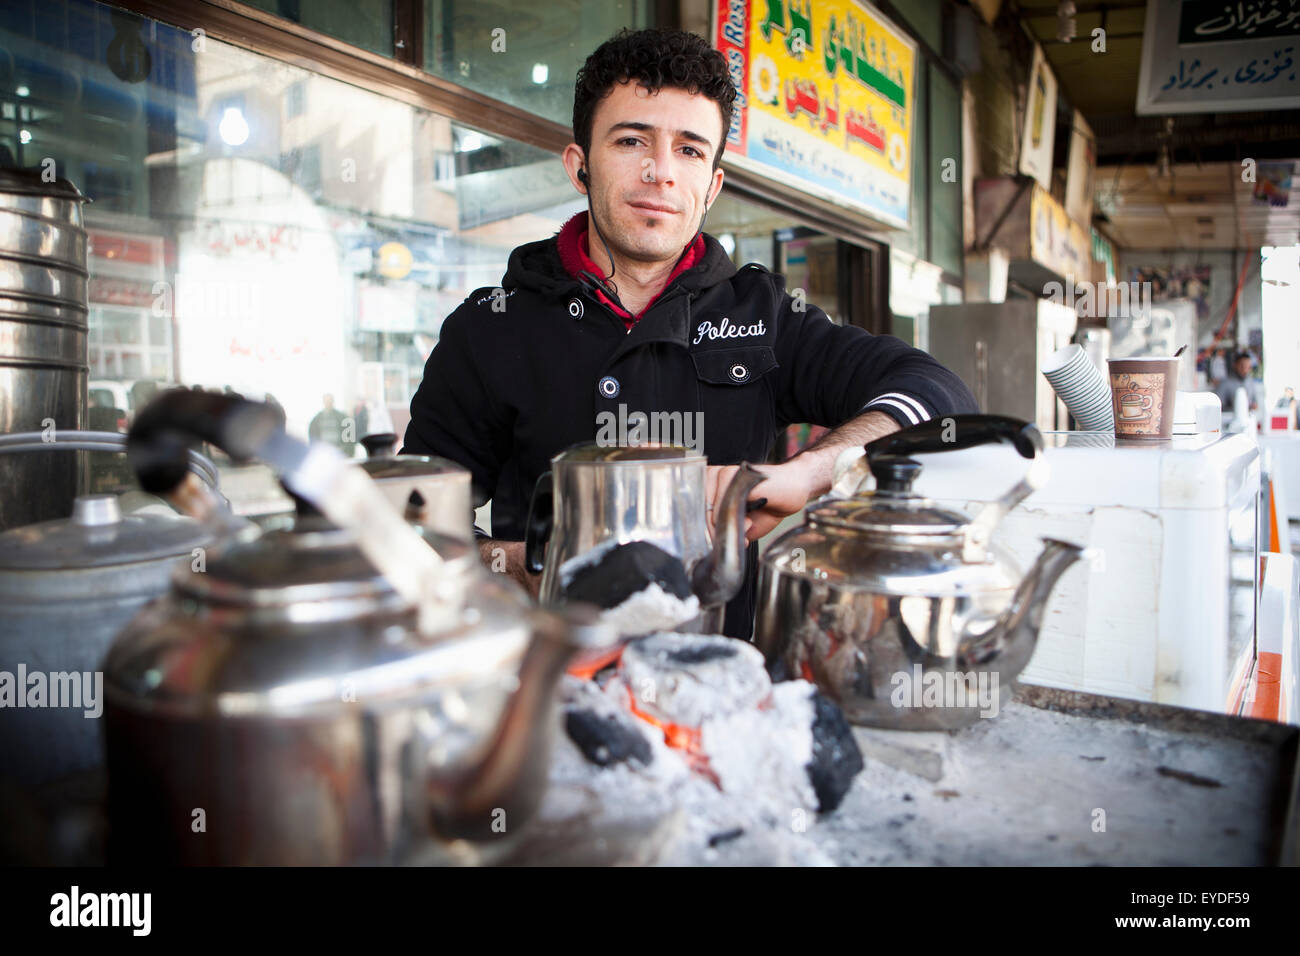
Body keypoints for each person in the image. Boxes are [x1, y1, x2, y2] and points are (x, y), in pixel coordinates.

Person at [402, 29, 976, 640]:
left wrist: (814, 472)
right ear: (579, 166)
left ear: (714, 187)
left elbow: (937, 397)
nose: (661, 173)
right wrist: (527, 567)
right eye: (631, 141)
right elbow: (410, 530)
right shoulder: (490, 326)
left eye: (691, 151)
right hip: (542, 688)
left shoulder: (766, 316)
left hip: (719, 686)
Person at [1214, 351, 1262, 433]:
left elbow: (1255, 402)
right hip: (1229, 425)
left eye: (1248, 367)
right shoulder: (1225, 383)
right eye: (1242, 366)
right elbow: (1216, 406)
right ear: (1235, 365)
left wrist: (1253, 406)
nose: (1245, 369)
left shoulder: (1250, 382)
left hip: (1247, 423)